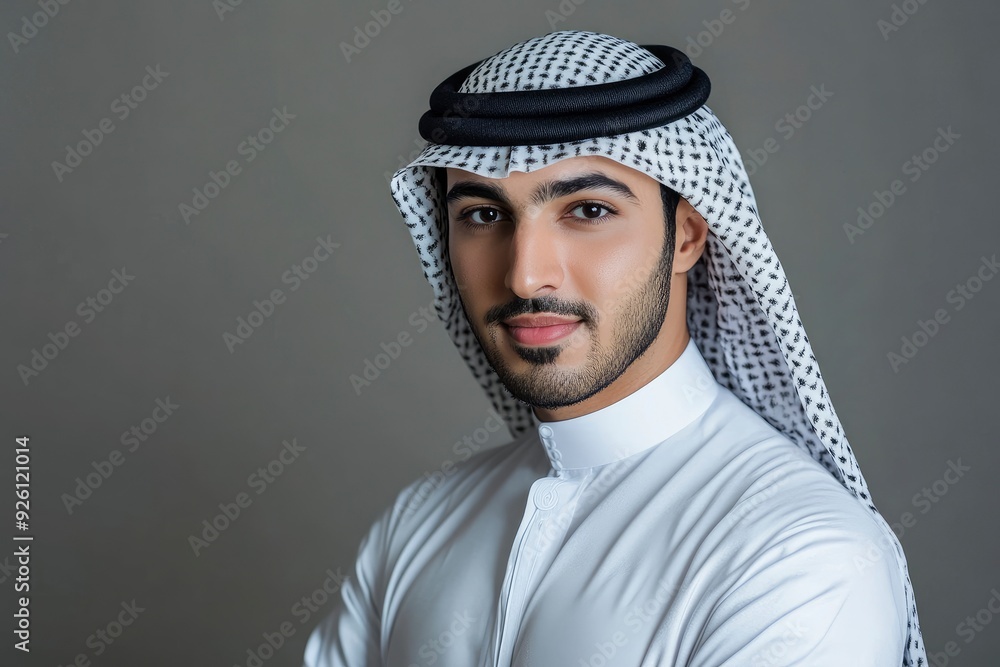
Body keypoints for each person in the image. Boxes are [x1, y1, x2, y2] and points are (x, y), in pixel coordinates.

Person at [304, 30, 927, 666]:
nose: (525, 276)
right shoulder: (420, 525)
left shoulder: (798, 556)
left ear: (686, 237)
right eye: (485, 216)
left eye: (588, 211)